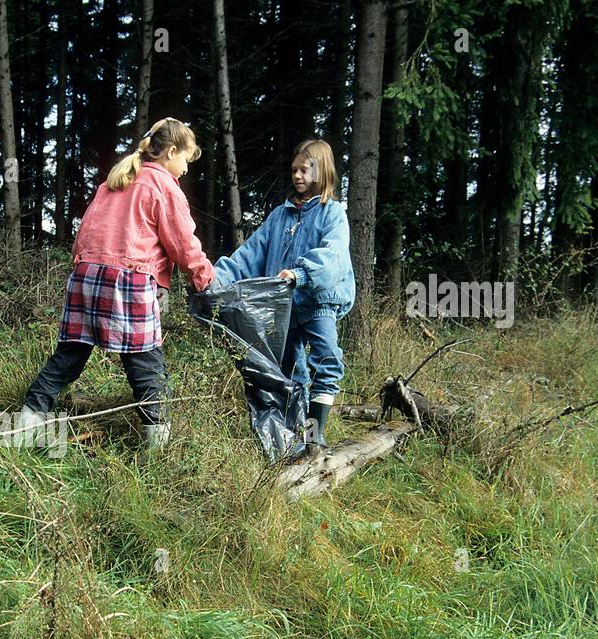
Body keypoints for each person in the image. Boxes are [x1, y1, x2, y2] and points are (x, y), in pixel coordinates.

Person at [19, 117, 216, 449]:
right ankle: (160, 445)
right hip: (127, 279)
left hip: (85, 275)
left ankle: (25, 423)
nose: (185, 168)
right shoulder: (164, 186)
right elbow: (184, 246)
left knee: (70, 354)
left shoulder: (114, 180)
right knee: (145, 361)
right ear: (170, 152)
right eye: (185, 159)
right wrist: (206, 281)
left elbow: (84, 235)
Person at [210, 139, 355, 453]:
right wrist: (214, 278)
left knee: (327, 359)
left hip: (319, 302)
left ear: (322, 170)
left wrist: (300, 274)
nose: (298, 176)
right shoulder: (280, 216)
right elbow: (249, 254)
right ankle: (293, 440)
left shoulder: (333, 214)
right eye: (294, 170)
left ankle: (315, 434)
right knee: (289, 371)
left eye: (305, 169)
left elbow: (334, 257)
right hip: (284, 307)